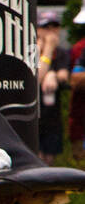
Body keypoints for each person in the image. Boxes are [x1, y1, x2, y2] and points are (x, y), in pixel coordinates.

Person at [37, 10, 70, 163]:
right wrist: (48, 49)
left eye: (54, 27)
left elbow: (64, 75)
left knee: (49, 158)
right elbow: (37, 77)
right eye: (46, 27)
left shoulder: (62, 53)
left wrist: (53, 75)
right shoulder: (33, 50)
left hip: (51, 114)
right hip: (35, 113)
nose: (51, 32)